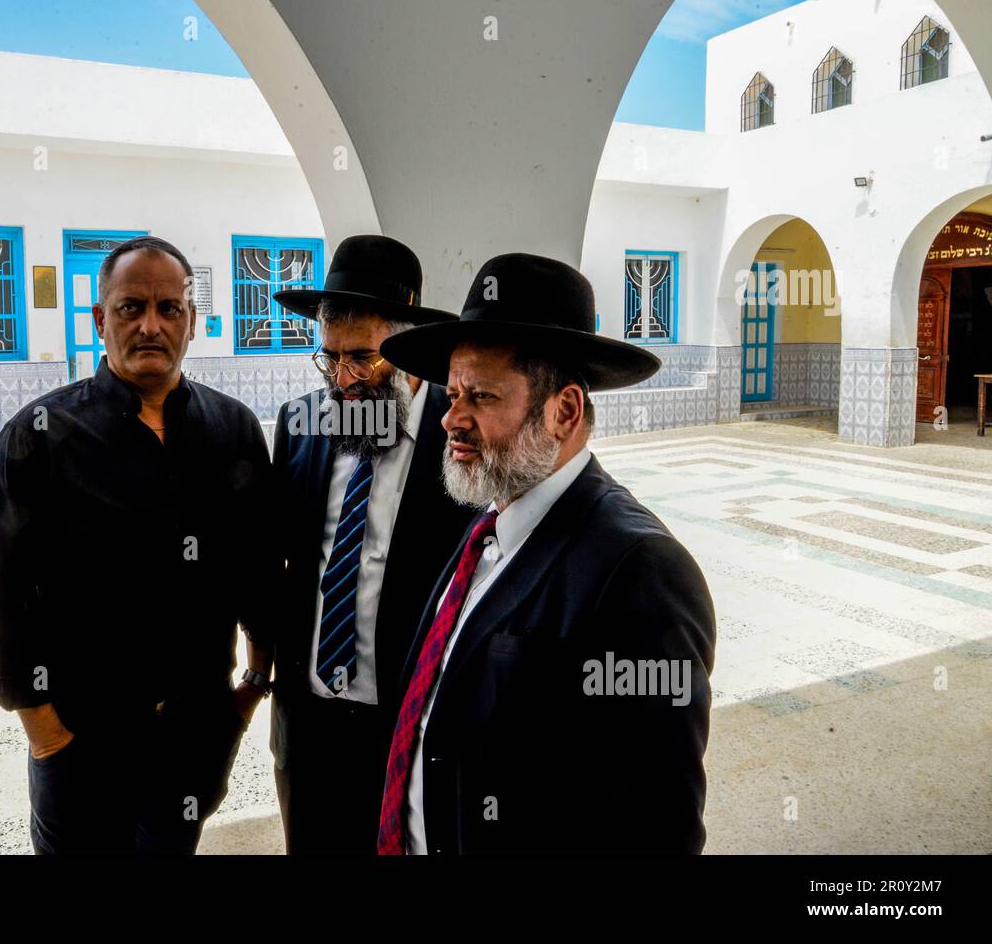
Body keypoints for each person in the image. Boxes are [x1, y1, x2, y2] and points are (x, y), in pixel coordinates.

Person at [376, 252, 717, 855]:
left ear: (564, 411)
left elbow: (658, 823)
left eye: (480, 397)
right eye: (452, 394)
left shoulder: (640, 571)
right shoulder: (489, 518)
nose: (451, 418)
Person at [0, 235, 278, 855]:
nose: (150, 326)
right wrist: (47, 734)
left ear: (192, 323)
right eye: (130, 308)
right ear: (99, 321)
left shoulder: (233, 430)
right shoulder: (39, 439)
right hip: (80, 747)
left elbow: (258, 571)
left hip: (193, 743)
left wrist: (248, 691)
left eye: (170, 309)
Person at [269, 234, 476, 854]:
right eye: (329, 357)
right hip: (308, 729)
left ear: (409, 350)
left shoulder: (463, 443)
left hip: (407, 729)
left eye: (363, 359)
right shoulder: (300, 425)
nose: (343, 379)